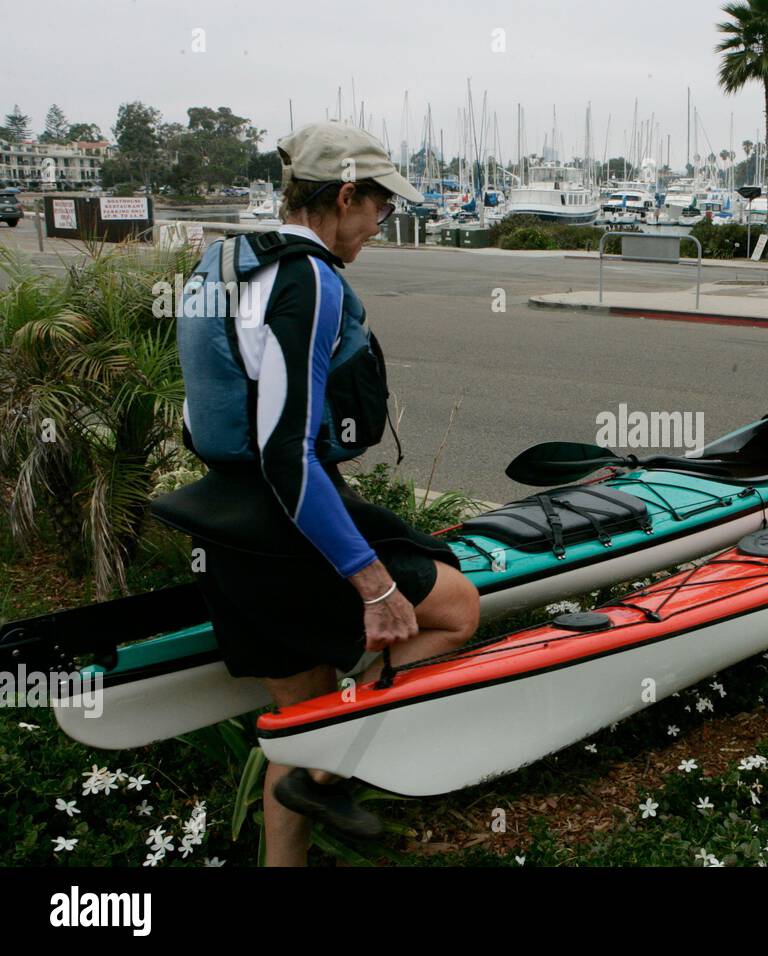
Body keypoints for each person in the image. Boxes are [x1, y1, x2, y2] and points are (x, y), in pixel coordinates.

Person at [161, 123, 480, 866]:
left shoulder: (221, 260)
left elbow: (202, 413)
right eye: (379, 210)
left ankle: (306, 799)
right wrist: (371, 587)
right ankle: (329, 767)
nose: (379, 226)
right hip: (285, 524)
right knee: (458, 608)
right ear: (344, 196)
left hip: (225, 524)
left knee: (302, 714)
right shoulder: (307, 279)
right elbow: (288, 458)